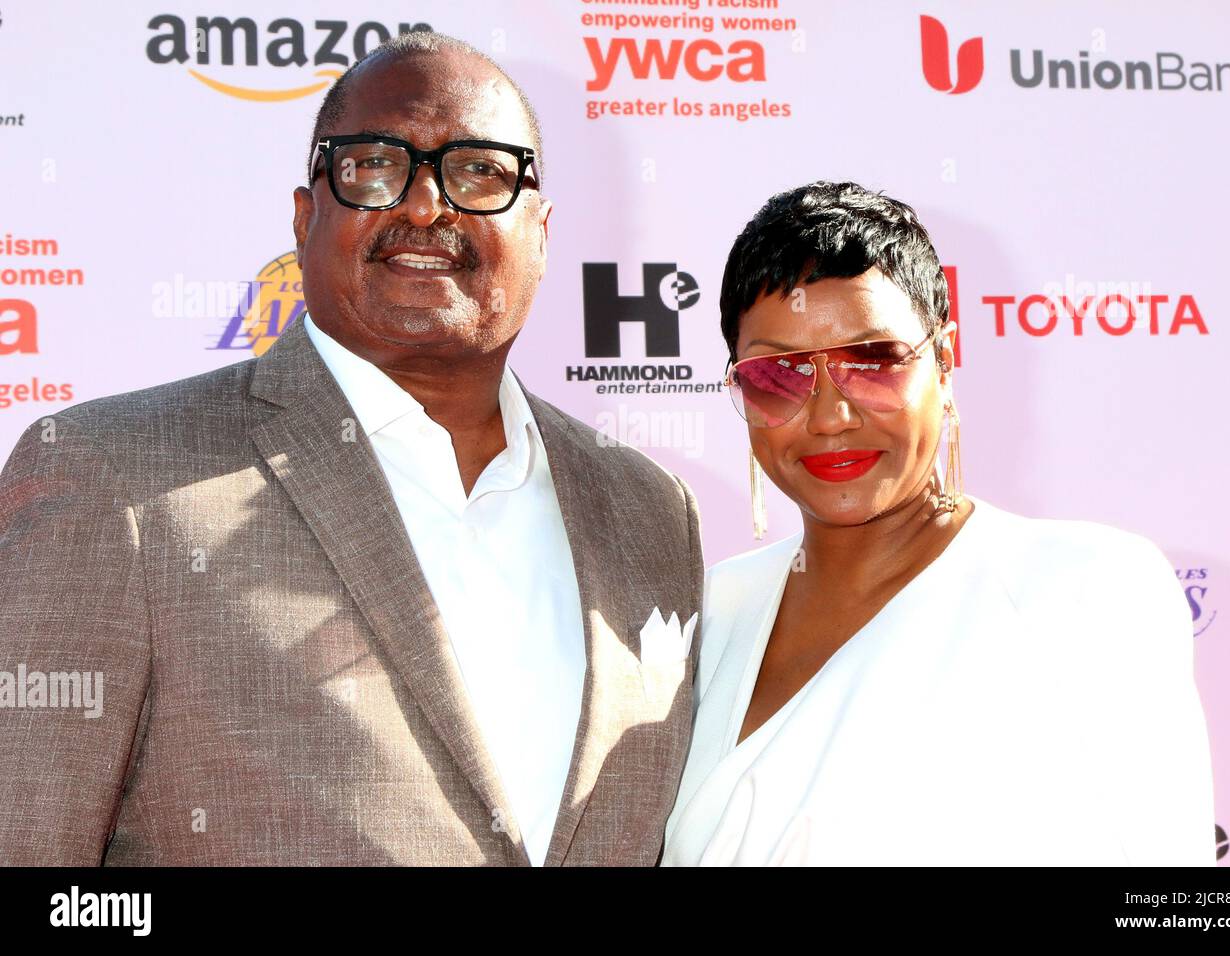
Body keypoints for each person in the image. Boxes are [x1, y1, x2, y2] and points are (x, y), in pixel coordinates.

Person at [0, 30, 703, 866]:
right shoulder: (113, 474)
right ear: (305, 218)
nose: (423, 206)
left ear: (543, 232)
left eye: (478, 170)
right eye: (374, 165)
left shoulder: (650, 509)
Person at [661, 182, 1216, 866]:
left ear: (945, 361)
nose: (831, 414)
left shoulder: (1084, 589)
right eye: (780, 374)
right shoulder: (706, 615)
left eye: (873, 362)